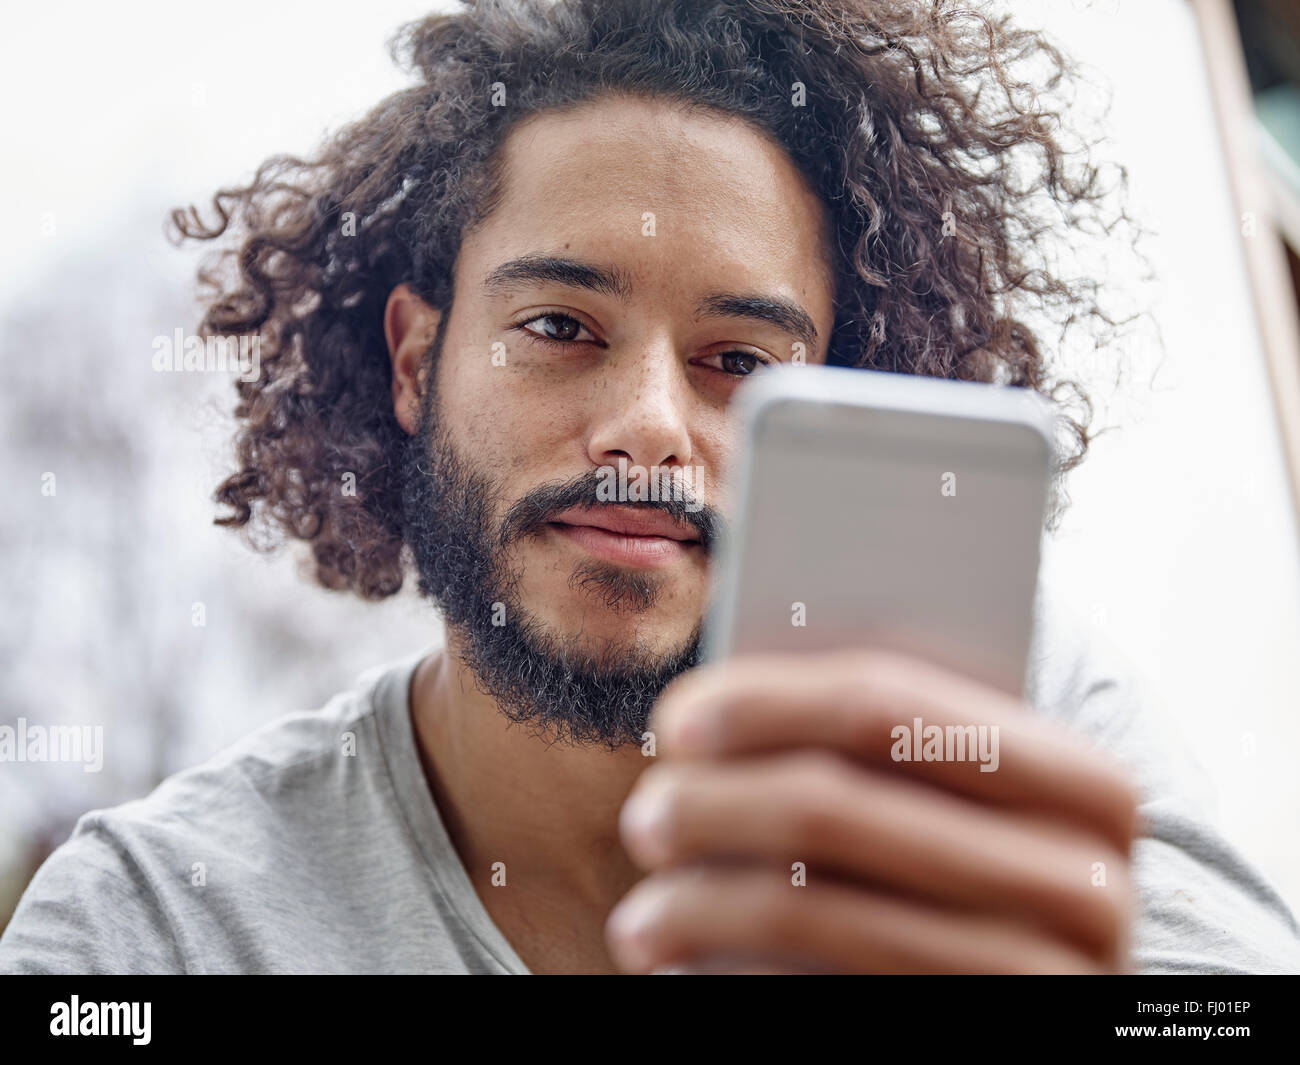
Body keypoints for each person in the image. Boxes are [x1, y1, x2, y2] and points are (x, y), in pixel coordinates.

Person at [3, 0, 1298, 975]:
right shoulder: (153, 923)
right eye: (561, 325)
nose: (646, 427)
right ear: (414, 358)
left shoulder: (1015, 713)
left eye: (738, 359)